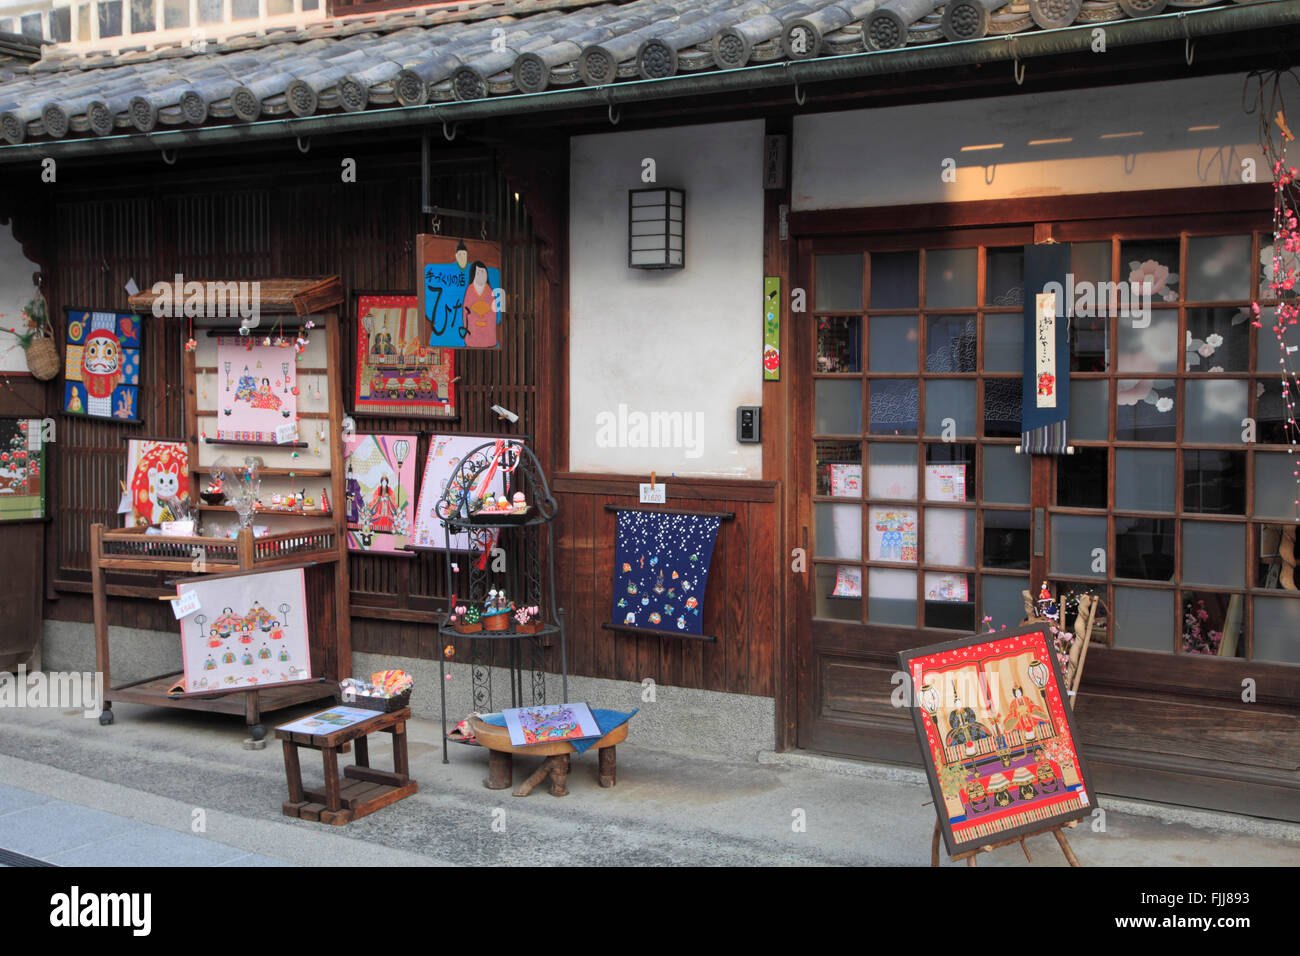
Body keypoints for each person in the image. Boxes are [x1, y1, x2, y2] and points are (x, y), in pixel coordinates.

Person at [460, 261, 499, 348]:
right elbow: (465, 312)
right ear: (473, 275)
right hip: (473, 332)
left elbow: (493, 312)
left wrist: (484, 318)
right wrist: (475, 318)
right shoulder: (470, 290)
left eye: (483, 272)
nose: (481, 275)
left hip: (487, 332)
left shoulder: (489, 291)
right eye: (478, 273)